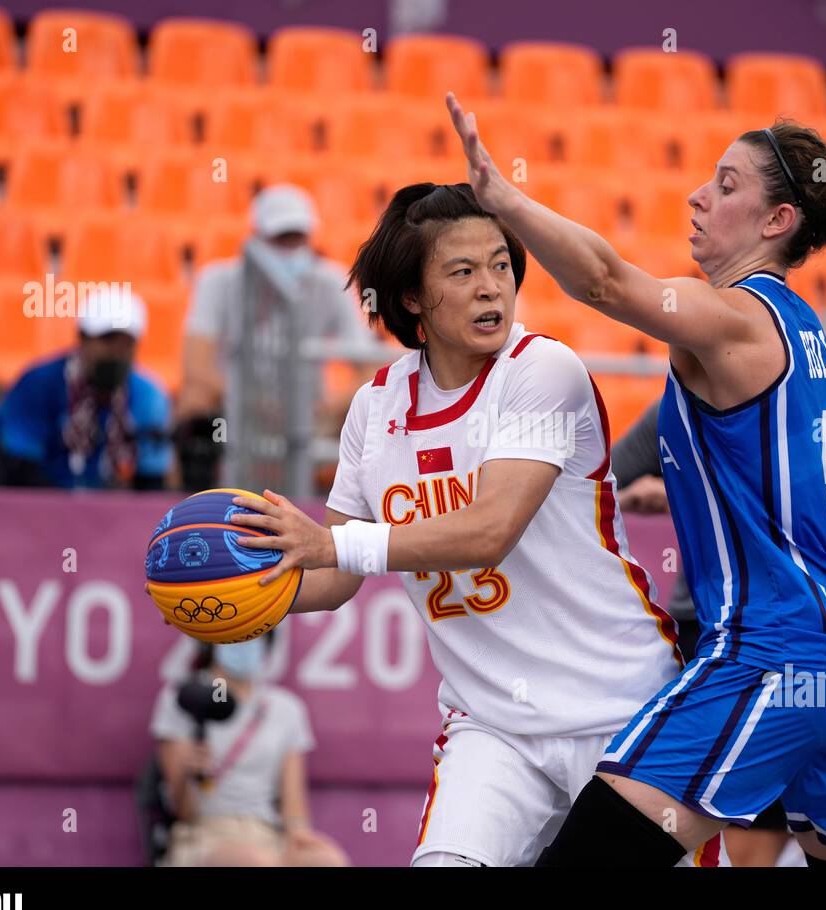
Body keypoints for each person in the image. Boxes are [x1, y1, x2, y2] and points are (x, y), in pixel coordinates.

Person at [445, 94, 826, 866]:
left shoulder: (732, 317)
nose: (698, 196)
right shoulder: (804, 330)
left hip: (776, 653)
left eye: (726, 185)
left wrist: (499, 197)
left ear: (776, 222)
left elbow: (601, 280)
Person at [222, 183, 683, 867]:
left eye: (501, 266)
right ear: (412, 298)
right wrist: (235, 599)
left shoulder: (543, 370)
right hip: (492, 723)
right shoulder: (375, 406)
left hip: (621, 710)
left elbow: (488, 530)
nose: (491, 288)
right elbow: (336, 573)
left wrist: (328, 542)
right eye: (463, 272)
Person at [615, 400, 826, 866]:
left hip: (795, 651)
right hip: (702, 636)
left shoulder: (809, 409)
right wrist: (673, 492)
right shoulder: (677, 403)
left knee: (754, 843)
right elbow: (598, 492)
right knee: (711, 838)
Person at [174, 184, 373, 493]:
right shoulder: (218, 281)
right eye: (281, 239)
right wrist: (254, 403)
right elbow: (196, 367)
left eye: (297, 238)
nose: (290, 249)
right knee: (194, 400)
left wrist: (329, 408)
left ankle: (353, 509)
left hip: (310, 413)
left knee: (372, 406)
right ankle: (187, 501)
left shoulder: (331, 282)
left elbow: (369, 369)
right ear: (257, 237)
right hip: (234, 408)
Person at [149, 633, 349, 867]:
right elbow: (185, 812)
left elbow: (294, 807)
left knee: (329, 861)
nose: (244, 643)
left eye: (254, 633)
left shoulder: (286, 709)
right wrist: (189, 773)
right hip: (204, 835)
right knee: (255, 862)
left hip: (267, 834)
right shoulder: (184, 700)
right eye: (235, 634)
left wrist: (300, 836)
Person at [0, 288, 171, 491]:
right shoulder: (39, 383)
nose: (116, 352)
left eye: (126, 343)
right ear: (83, 339)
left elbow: (150, 479)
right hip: (8, 499)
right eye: (107, 340)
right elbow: (18, 466)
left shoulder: (148, 397)